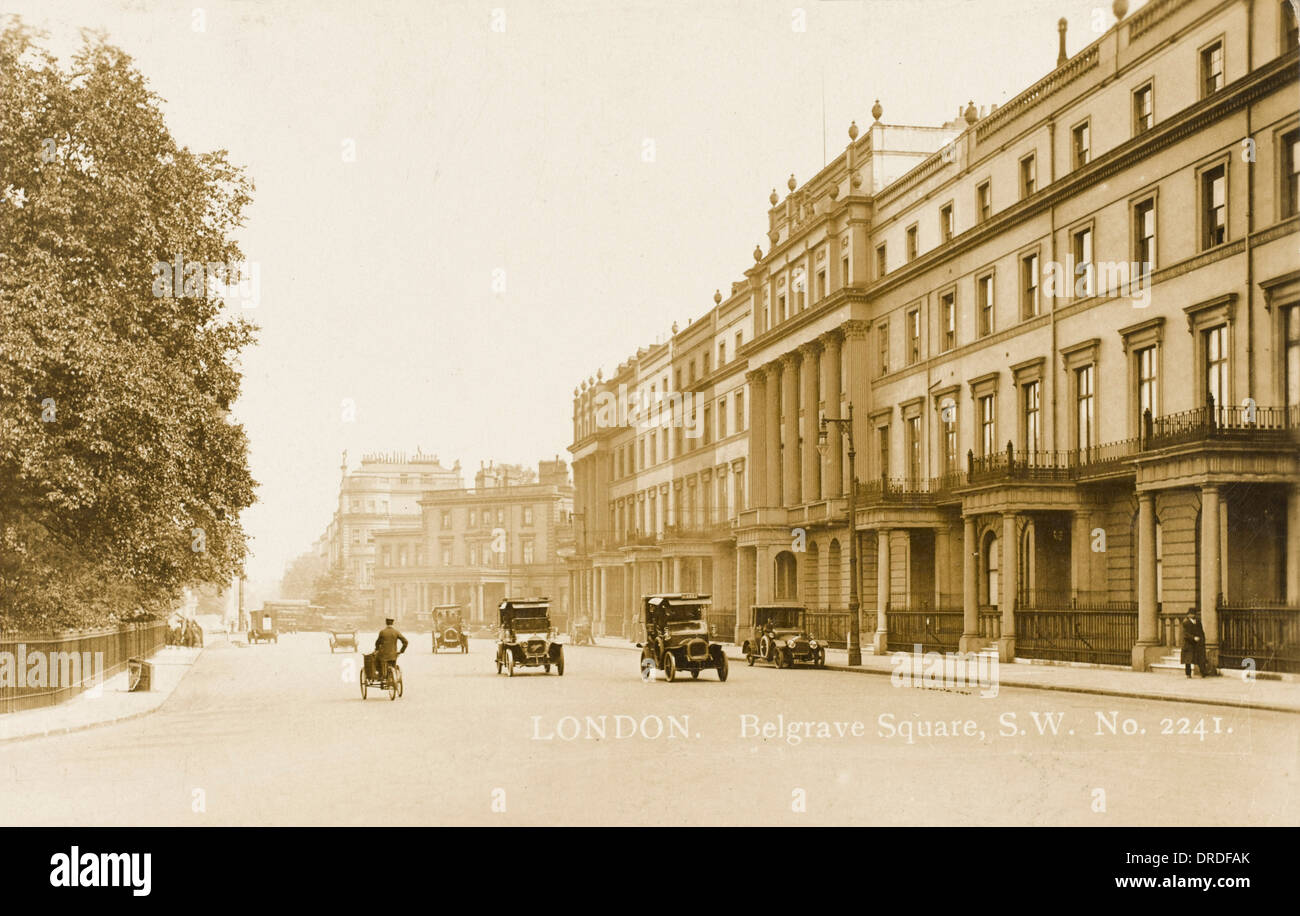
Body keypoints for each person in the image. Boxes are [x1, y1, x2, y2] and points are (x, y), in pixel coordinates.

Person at [374, 618, 408, 682]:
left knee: (376, 659)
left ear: (386, 623)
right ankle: (393, 676)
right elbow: (405, 642)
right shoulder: (396, 632)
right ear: (392, 623)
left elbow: (378, 642)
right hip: (393, 655)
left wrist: (377, 649)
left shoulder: (382, 632)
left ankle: (380, 675)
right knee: (393, 664)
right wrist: (401, 651)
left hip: (383, 655)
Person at [1181, 608, 1210, 678]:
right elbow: (1185, 634)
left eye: (1193, 614)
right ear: (1188, 615)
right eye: (1190, 614)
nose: (1192, 615)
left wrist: (1202, 639)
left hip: (1198, 643)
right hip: (1189, 643)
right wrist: (1193, 638)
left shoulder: (1198, 622)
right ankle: (1188, 674)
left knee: (1201, 658)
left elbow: (1201, 632)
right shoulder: (1185, 622)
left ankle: (1203, 672)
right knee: (1188, 660)